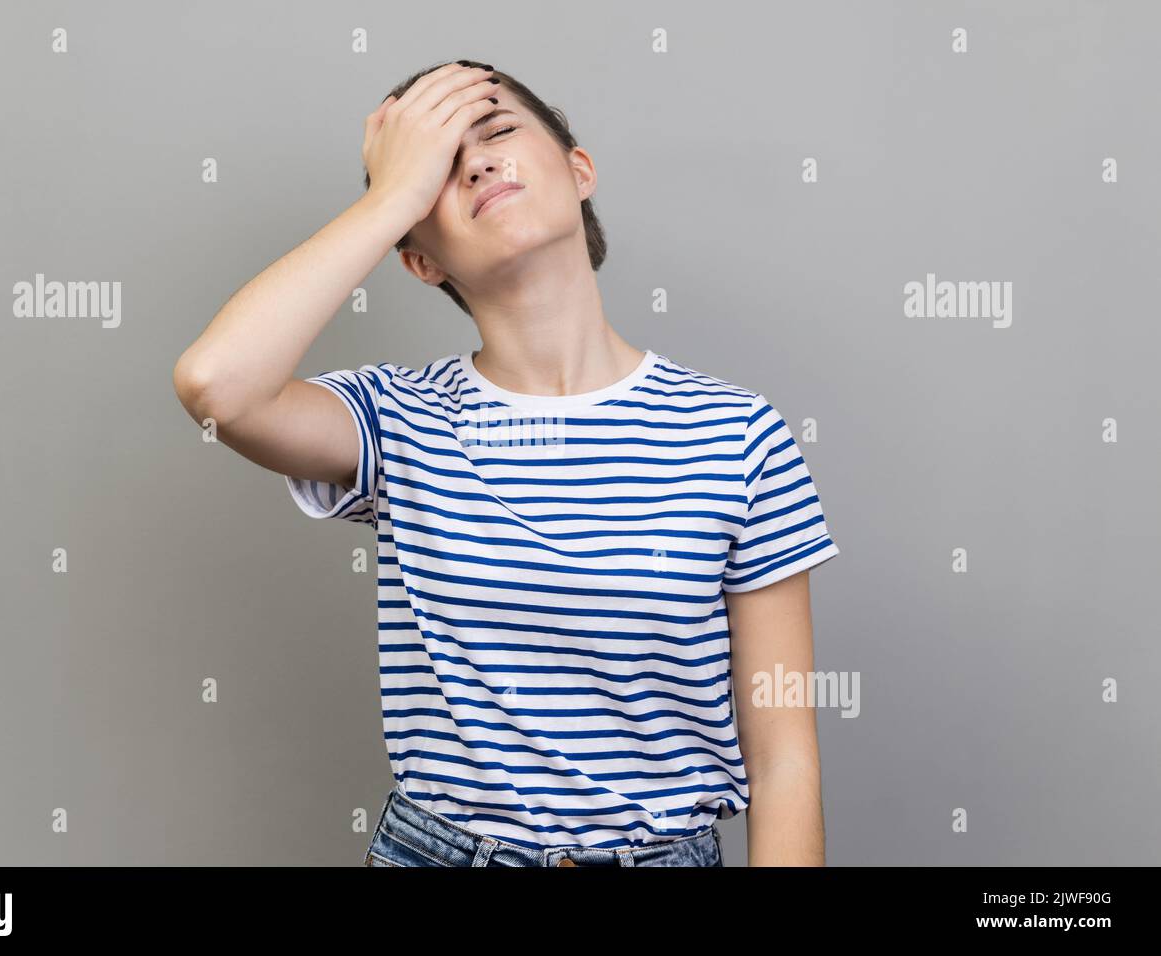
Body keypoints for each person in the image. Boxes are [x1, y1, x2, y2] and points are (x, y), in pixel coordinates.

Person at [173, 59, 840, 867]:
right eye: (439, 172)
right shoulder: (396, 419)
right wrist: (389, 198)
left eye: (495, 133)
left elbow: (785, 763)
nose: (480, 162)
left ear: (579, 168)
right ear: (419, 258)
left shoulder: (738, 435)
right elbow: (219, 385)